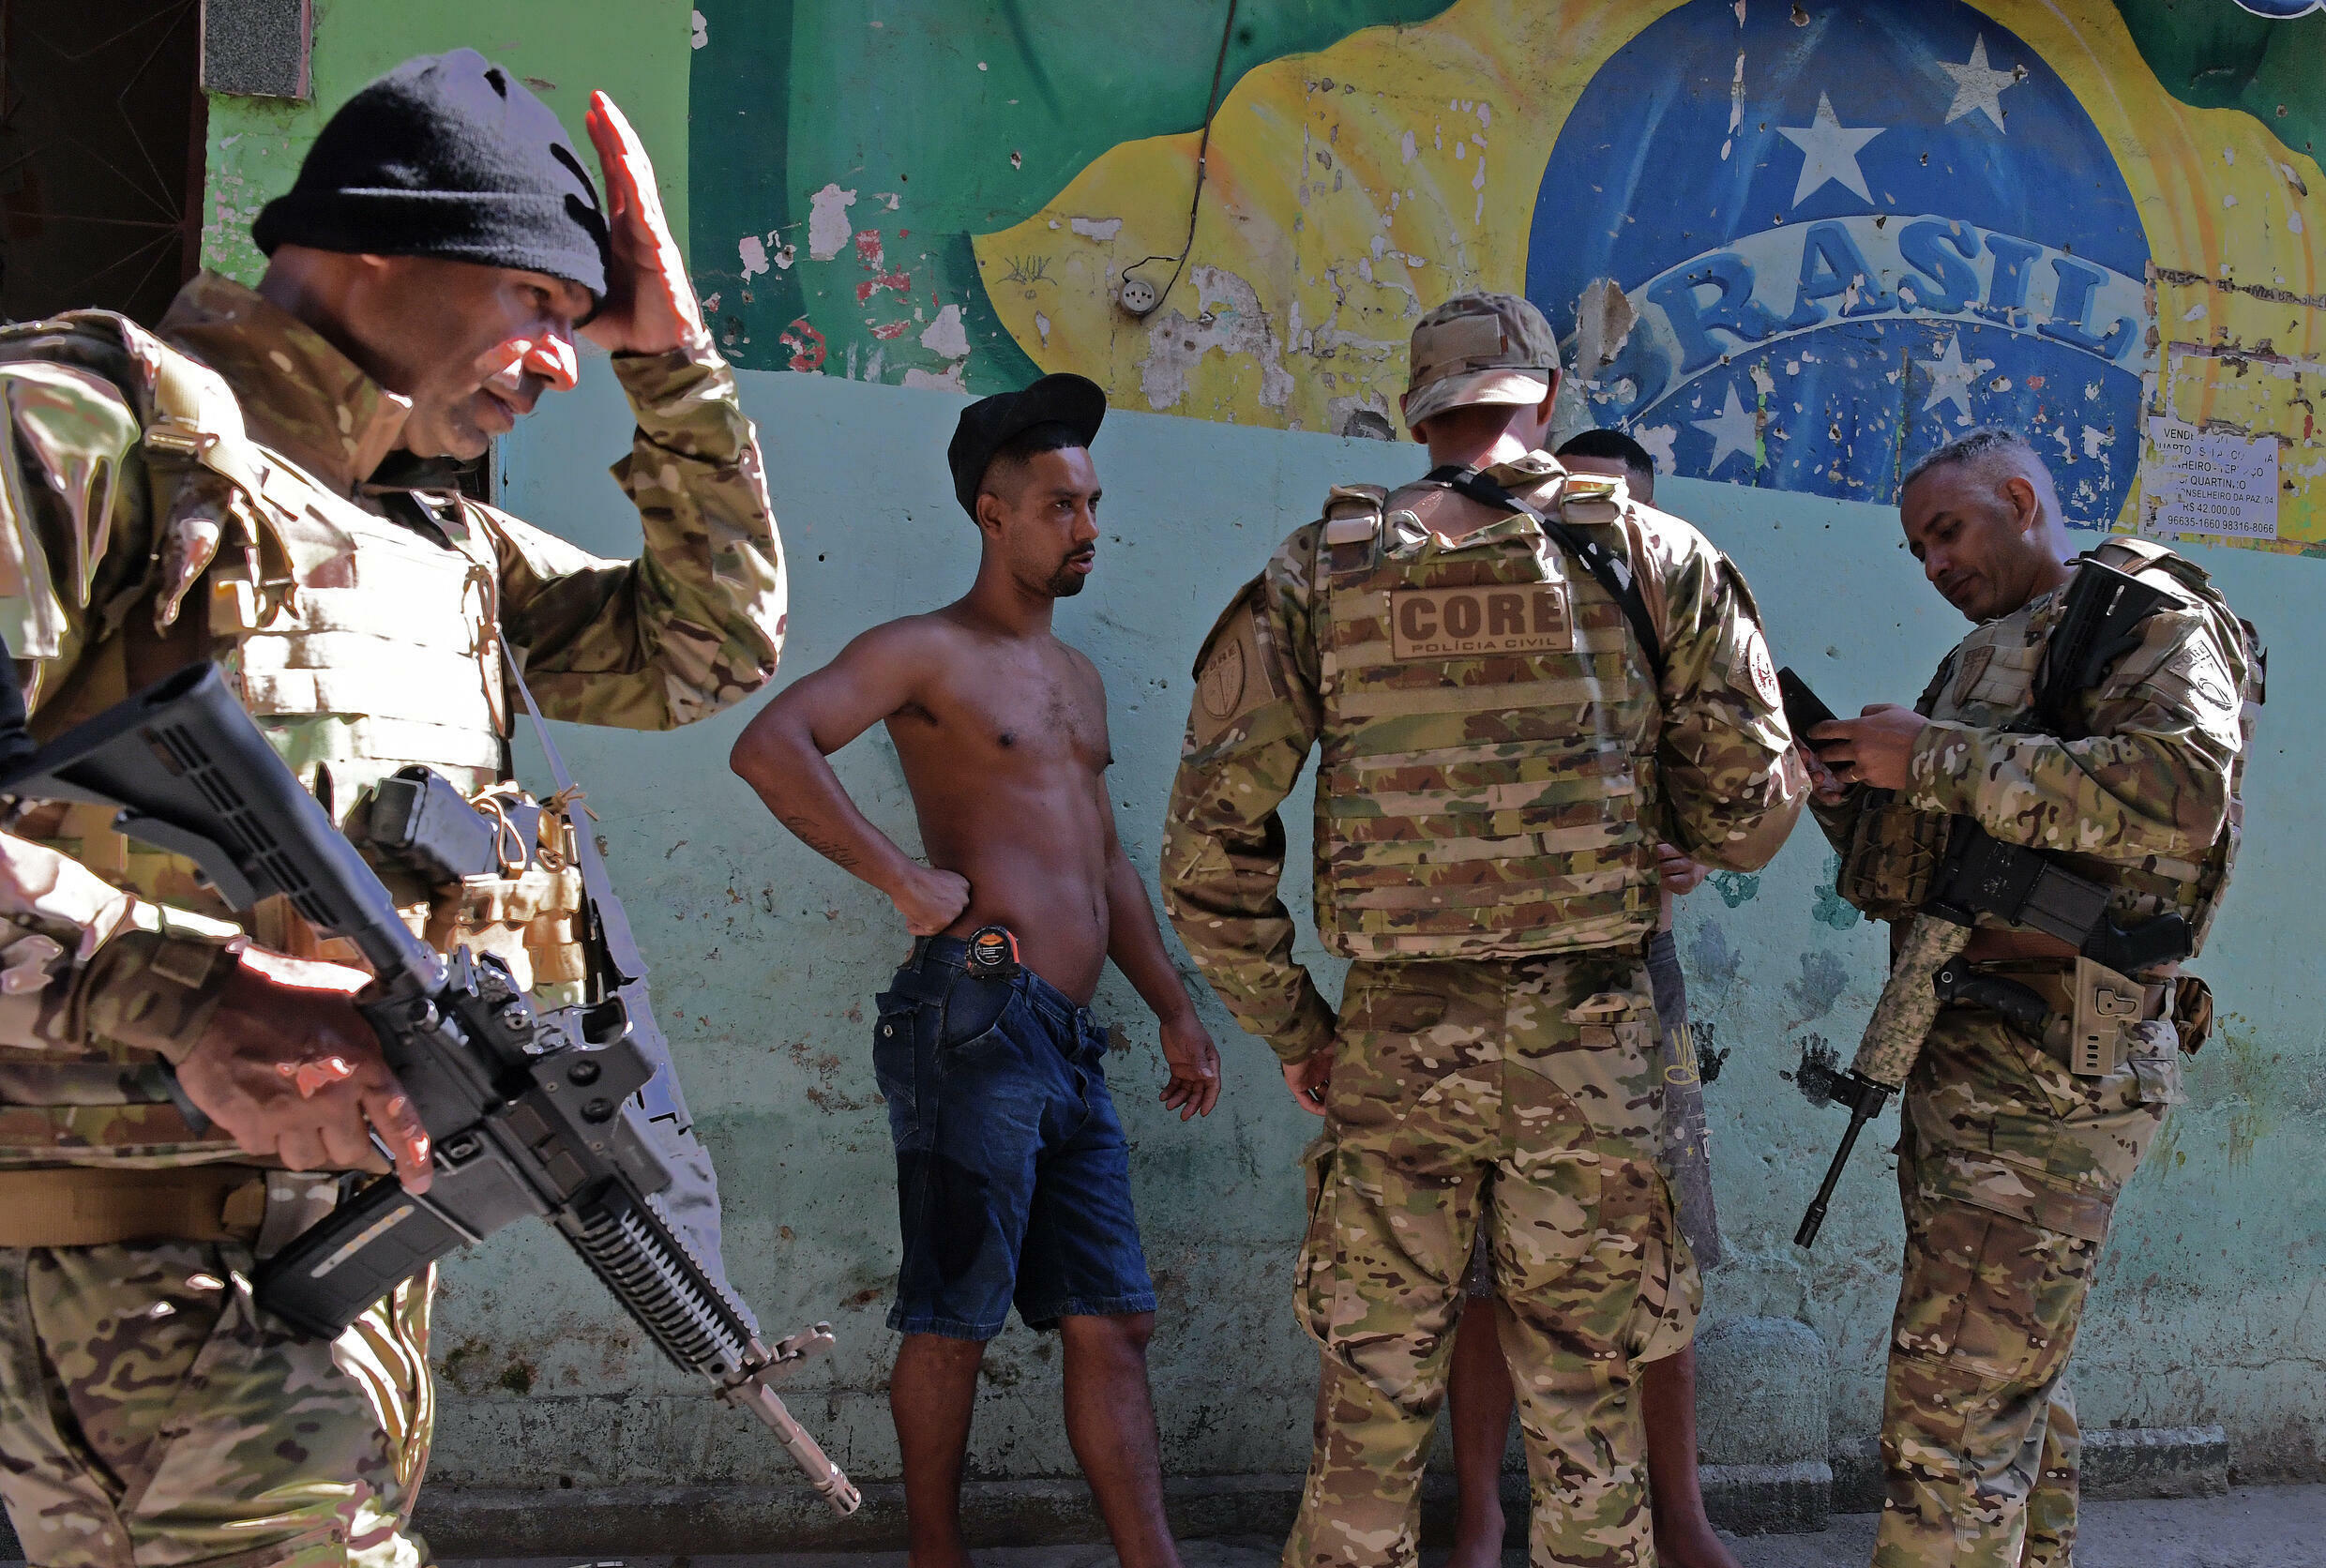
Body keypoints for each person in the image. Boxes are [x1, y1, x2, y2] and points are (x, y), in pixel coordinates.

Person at [0, 51, 786, 1567]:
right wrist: (184, 988)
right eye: (536, 301)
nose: (564, 360)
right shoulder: (91, 433)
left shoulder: (440, 549)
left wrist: (675, 363)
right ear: (377, 243)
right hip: (139, 1281)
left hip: (333, 1287)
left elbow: (706, 643)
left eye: (582, 318)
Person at [1160, 292, 1805, 1568]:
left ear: (1418, 412)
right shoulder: (1656, 555)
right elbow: (1744, 819)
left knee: (1368, 1409)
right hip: (1594, 1050)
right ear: (1547, 399)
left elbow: (1205, 846)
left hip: (1395, 1047)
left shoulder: (1320, 568)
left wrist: (1297, 1027)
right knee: (1586, 1407)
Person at [727, 373, 1220, 1568]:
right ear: (993, 516)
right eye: (1059, 506)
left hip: (1069, 1039)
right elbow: (769, 743)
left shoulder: (1078, 680)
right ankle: (934, 1557)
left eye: (1091, 504)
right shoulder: (924, 651)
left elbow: (1104, 861)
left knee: (1113, 1319)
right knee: (954, 1319)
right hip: (973, 1015)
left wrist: (1172, 1006)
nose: (1086, 528)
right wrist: (900, 878)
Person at [1802, 428, 2256, 1568]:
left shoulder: (2146, 616)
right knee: (2001, 1386)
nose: (1932, 565)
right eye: (1916, 550)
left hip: (2051, 1058)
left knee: (1952, 1423)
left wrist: (1931, 758)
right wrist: (1848, 794)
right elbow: (1923, 865)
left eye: (1946, 532)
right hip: (1969, 1048)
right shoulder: (1986, 658)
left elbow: (2181, 791)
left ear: (2017, 498)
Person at [1439, 426, 1738, 1568]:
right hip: (1500, 987)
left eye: (1625, 514)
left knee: (1662, 1250)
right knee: (1482, 1261)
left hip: (1636, 982)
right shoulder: (1496, 637)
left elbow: (1730, 799)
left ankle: (1679, 1510)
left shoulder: (1682, 649)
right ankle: (1479, 1510)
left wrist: (1692, 848)